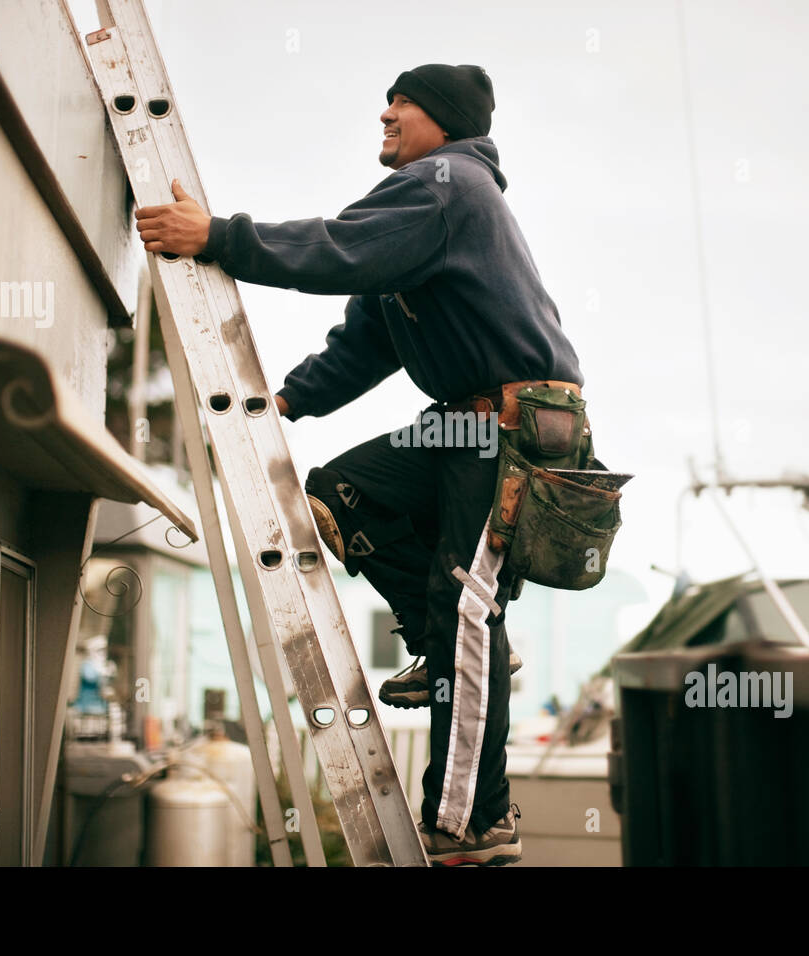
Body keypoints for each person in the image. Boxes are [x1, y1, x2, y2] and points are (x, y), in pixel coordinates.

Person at [134, 63, 585, 866]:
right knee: (340, 495)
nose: (385, 113)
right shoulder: (428, 202)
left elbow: (338, 249)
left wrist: (219, 238)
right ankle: (444, 631)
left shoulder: (447, 182)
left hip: (513, 426)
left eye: (403, 104)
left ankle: (473, 822)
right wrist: (289, 402)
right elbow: (370, 337)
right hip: (463, 425)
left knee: (469, 607)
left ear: (442, 122)